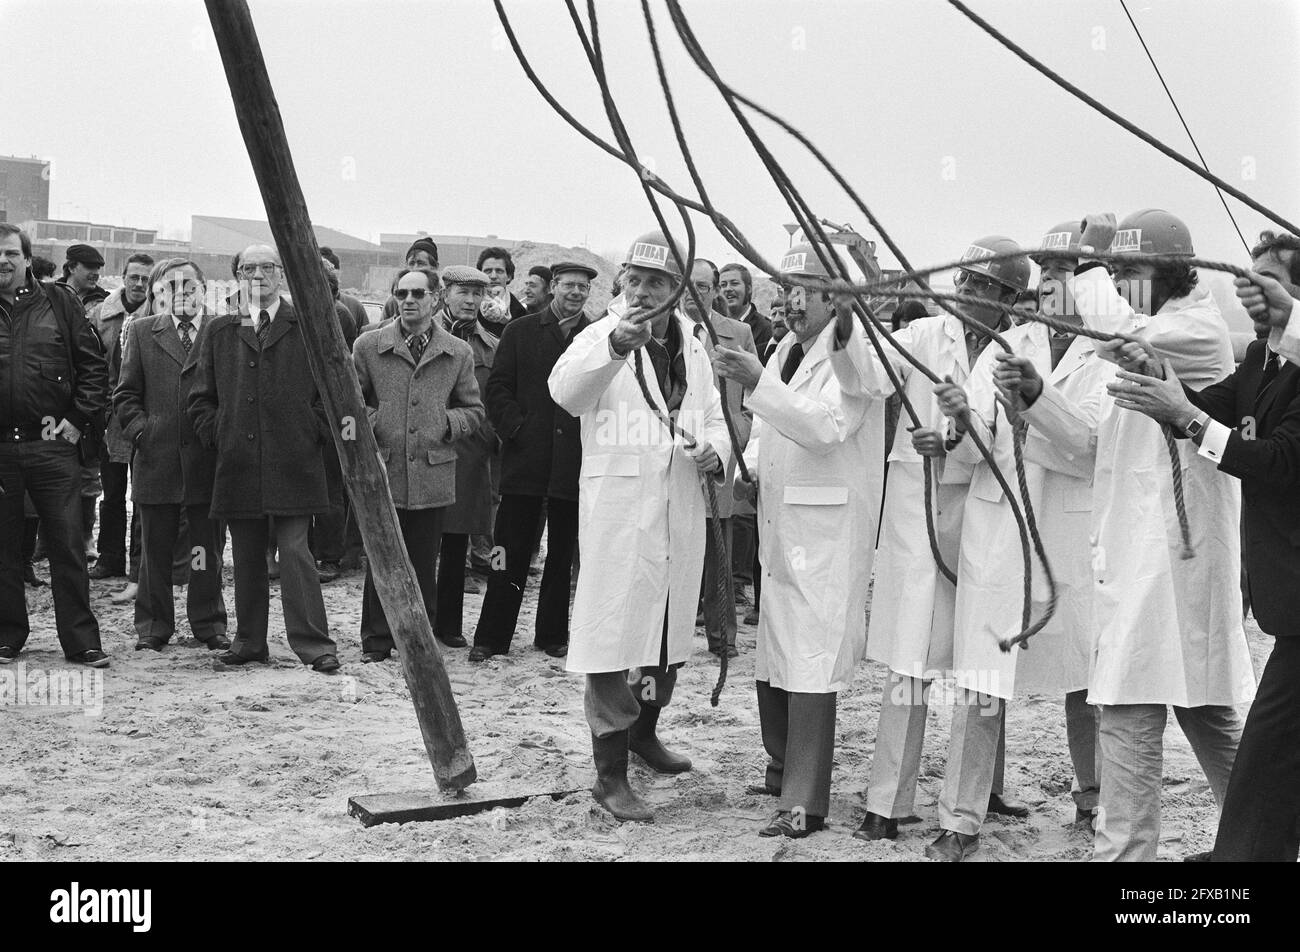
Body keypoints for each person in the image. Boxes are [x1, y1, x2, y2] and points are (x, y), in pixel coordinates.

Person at [1066, 210, 1252, 861]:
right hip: (1142, 553)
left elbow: (1113, 330)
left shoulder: (1195, 330)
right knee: (1201, 708)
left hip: (1173, 555)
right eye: (1116, 273)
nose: (1121, 283)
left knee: (1131, 707)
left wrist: (1087, 261)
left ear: (1172, 273)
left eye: (1131, 271)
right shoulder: (1150, 330)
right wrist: (1035, 397)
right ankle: (1267, 836)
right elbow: (1093, 440)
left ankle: (1127, 857)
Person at [1113, 230, 1300, 862]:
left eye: (1271, 283)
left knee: (1266, 757)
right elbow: (1210, 406)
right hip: (1286, 602)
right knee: (1268, 760)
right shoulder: (1261, 359)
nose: (1253, 293)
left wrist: (1189, 419)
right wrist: (1163, 384)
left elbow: (1278, 462)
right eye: (1249, 280)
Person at [927, 228, 1112, 861]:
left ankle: (1095, 798)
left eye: (1071, 269)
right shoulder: (1007, 344)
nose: (1057, 281)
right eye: (1049, 269)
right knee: (982, 677)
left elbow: (1091, 447)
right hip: (998, 534)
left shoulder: (1111, 350)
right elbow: (981, 441)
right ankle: (960, 818)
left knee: (1087, 680)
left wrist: (1034, 400)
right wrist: (962, 422)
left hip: (1068, 536)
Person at [549, 230, 729, 822]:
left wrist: (717, 450)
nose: (644, 292)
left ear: (677, 290)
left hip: (679, 504)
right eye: (635, 279)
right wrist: (613, 348)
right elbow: (565, 393)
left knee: (666, 632)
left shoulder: (693, 344)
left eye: (657, 283)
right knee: (610, 636)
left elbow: (713, 415)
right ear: (621, 279)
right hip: (621, 511)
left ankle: (644, 732)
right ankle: (610, 774)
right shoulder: (598, 334)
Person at [716, 242, 889, 838]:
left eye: (805, 292)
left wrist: (757, 382)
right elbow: (773, 431)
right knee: (776, 652)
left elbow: (826, 427)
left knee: (811, 661)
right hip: (781, 523)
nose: (792, 303)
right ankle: (780, 768)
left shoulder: (856, 354)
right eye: (786, 290)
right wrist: (747, 469)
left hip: (825, 532)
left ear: (835, 297)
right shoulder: (785, 348)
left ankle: (804, 801)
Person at [856, 236, 1019, 847]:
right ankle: (886, 803)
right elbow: (867, 374)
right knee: (910, 660)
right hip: (920, 517)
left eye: (982, 284)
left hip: (989, 520)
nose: (967, 291)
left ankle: (962, 817)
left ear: (1008, 298)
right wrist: (852, 312)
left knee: (982, 671)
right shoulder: (924, 334)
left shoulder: (1020, 351)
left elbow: (1002, 439)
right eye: (965, 279)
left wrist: (954, 436)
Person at [187, 244, 341, 674]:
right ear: (237, 276)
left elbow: (334, 392)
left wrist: (313, 430)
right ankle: (250, 642)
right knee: (247, 557)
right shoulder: (220, 330)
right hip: (238, 463)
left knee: (294, 551)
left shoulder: (308, 325)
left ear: (282, 274)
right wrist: (220, 433)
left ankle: (314, 644)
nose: (259, 275)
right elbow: (200, 399)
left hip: (296, 462)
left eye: (268, 267)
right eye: (249, 268)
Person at [352, 267, 485, 662]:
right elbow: (351, 405)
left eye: (418, 293)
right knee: (382, 557)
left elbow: (474, 410)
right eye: (402, 293)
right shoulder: (368, 346)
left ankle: (419, 641)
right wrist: (378, 422)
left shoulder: (458, 352)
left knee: (424, 561)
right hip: (384, 470)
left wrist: (445, 423)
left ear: (435, 298)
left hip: (432, 472)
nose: (409, 300)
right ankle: (377, 639)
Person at [0, 223, 110, 668]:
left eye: (10, 252)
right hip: (0, 449)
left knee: (67, 545)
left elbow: (94, 368)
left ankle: (81, 641)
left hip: (52, 445)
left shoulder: (59, 302)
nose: (2, 261)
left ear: (27, 258)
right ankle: (7, 635)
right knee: (3, 549)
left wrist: (77, 421)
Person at [473, 262, 595, 661]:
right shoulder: (520, 331)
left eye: (582, 288)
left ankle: (552, 635)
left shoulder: (595, 336)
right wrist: (517, 430)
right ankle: (492, 637)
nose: (575, 293)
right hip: (526, 459)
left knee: (560, 554)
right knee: (507, 551)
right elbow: (498, 389)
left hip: (574, 462)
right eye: (569, 285)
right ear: (553, 286)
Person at [114, 258, 229, 652]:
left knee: (204, 551)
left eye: (189, 285)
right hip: (157, 459)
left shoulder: (221, 330)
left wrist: (220, 435)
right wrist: (143, 431)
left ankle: (208, 622)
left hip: (206, 460)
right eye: (170, 286)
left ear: (203, 289)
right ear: (158, 293)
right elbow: (125, 394)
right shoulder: (142, 331)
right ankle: (153, 625)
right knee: (155, 551)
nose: (181, 292)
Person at [683, 259, 755, 658]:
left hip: (721, 455)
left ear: (714, 291)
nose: (695, 295)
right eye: (688, 286)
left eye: (703, 287)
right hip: (677, 452)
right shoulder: (664, 331)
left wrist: (737, 434)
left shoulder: (737, 333)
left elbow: (754, 393)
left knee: (720, 555)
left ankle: (722, 637)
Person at [433, 266, 498, 648]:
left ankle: (449, 625)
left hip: (469, 453)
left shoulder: (490, 346)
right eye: (463, 292)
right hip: (424, 449)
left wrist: (487, 439)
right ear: (445, 294)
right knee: (420, 540)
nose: (471, 301)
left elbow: (496, 400)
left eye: (477, 293)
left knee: (456, 544)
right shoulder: (422, 334)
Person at [85, 252, 154, 581]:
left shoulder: (158, 313)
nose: (139, 284)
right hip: (110, 415)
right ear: (124, 277)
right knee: (112, 492)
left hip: (145, 415)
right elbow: (90, 363)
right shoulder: (102, 314)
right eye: (134, 277)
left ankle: (142, 562)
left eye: (145, 279)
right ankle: (110, 557)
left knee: (143, 492)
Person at [380, 238, 441, 321]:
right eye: (411, 263)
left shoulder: (445, 301)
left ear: (435, 267)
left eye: (421, 263)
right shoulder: (393, 302)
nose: (415, 268)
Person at [719, 262, 772, 355]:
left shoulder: (766, 329)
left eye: (734, 283)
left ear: (749, 288)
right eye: (723, 285)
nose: (728, 289)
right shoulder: (713, 326)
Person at [476, 246, 527, 338]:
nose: (493, 276)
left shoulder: (521, 313)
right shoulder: (470, 307)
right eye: (488, 271)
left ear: (509, 276)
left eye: (499, 271)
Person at [320, 246, 368, 332]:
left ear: (338, 274)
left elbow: (366, 337)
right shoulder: (300, 307)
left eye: (329, 273)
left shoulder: (355, 306)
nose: (325, 279)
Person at [58, 243, 110, 309]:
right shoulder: (50, 295)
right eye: (90, 267)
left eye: (97, 268)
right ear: (72, 268)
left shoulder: (106, 301)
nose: (96, 273)